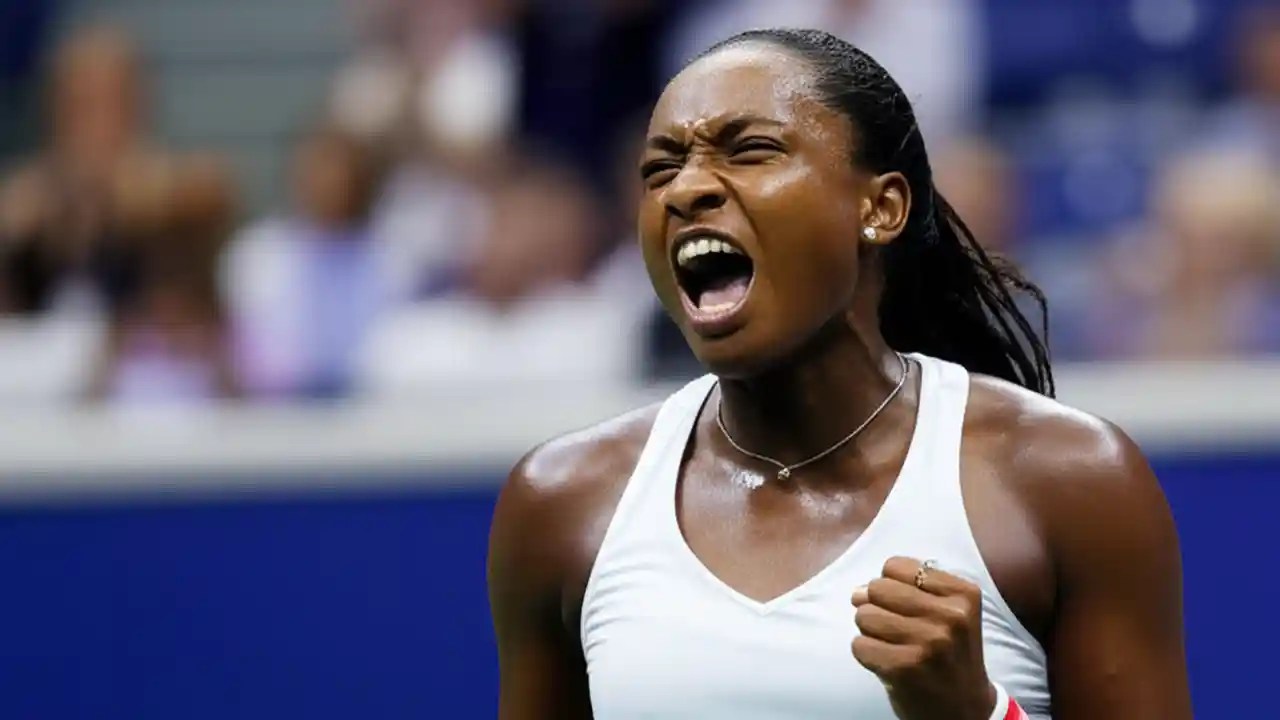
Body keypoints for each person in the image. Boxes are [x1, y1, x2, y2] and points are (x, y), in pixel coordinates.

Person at [488, 28, 1190, 720]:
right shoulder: (563, 502)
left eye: (751, 151)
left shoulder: (1067, 480)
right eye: (660, 169)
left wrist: (973, 714)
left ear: (880, 208)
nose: (687, 188)